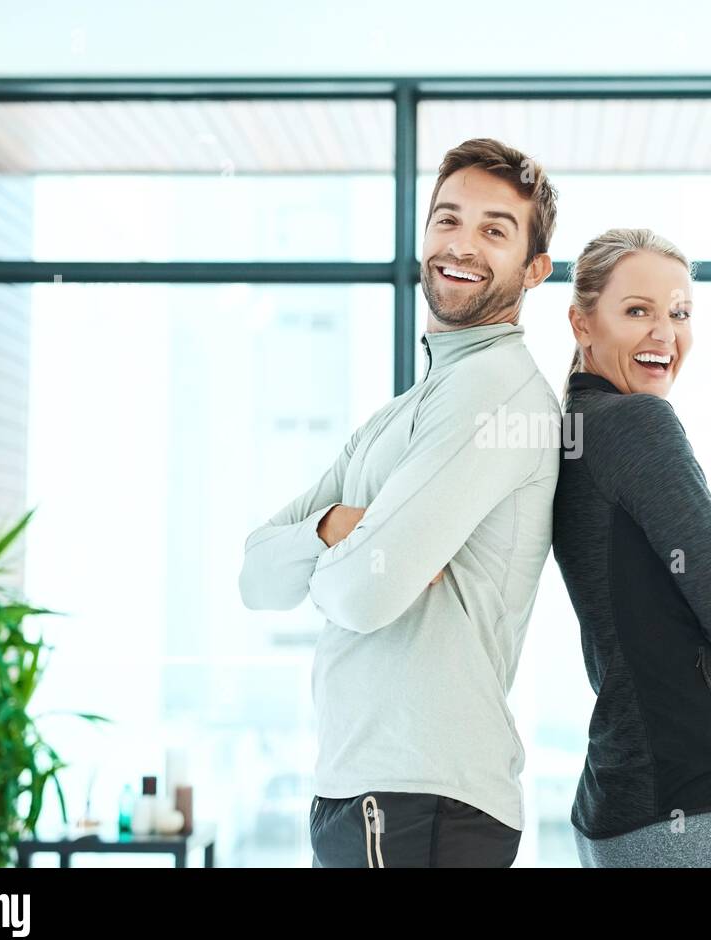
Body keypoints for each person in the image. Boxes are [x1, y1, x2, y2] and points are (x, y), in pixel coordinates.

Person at [239, 138, 561, 867]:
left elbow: (364, 592)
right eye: (447, 219)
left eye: (494, 230)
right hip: (368, 791)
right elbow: (256, 577)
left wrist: (339, 552)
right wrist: (333, 527)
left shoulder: (496, 392)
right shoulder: (398, 416)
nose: (462, 244)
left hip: (421, 798)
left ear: (535, 269)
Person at [552, 227, 711, 867]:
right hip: (683, 809)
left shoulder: (576, 430)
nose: (665, 333)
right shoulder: (637, 424)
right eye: (638, 311)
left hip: (633, 803)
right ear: (582, 323)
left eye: (679, 313)